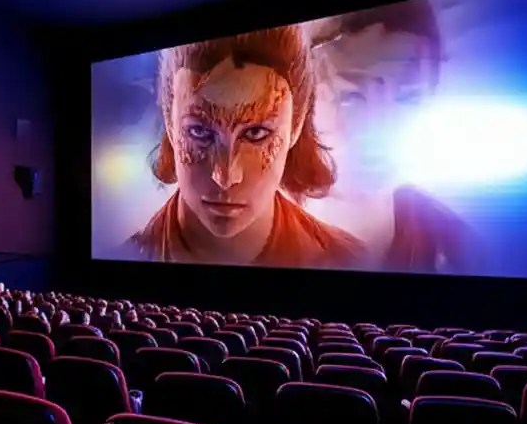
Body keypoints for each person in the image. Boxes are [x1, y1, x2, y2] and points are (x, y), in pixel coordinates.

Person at [127, 25, 365, 268]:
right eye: (199, 131)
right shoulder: (128, 260)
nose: (226, 177)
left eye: (255, 133)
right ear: (170, 122)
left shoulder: (350, 261)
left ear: (296, 126)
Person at [306, 0, 477, 273]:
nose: (379, 124)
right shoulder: (248, 228)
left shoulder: (454, 247)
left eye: (407, 98)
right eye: (352, 97)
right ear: (305, 98)